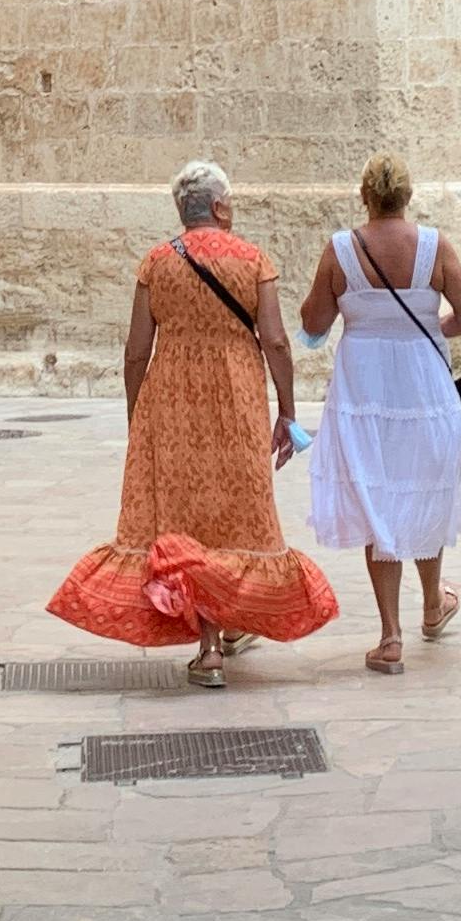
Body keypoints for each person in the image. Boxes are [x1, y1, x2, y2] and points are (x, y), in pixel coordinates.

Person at [49, 162, 339, 686]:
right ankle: (221, 634)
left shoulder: (157, 263)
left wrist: (139, 415)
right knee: (236, 510)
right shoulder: (253, 260)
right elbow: (274, 340)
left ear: (182, 211)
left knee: (184, 517)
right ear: (221, 207)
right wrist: (288, 410)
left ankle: (211, 645)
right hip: (237, 399)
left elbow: (137, 352)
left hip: (171, 402)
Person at [298, 154, 461, 673]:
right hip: (424, 385)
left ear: (364, 196)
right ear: (407, 195)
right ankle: (432, 603)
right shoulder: (434, 246)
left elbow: (314, 320)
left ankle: (390, 636)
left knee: (379, 493)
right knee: (423, 486)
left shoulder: (340, 250)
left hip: (365, 390)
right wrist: (425, 332)